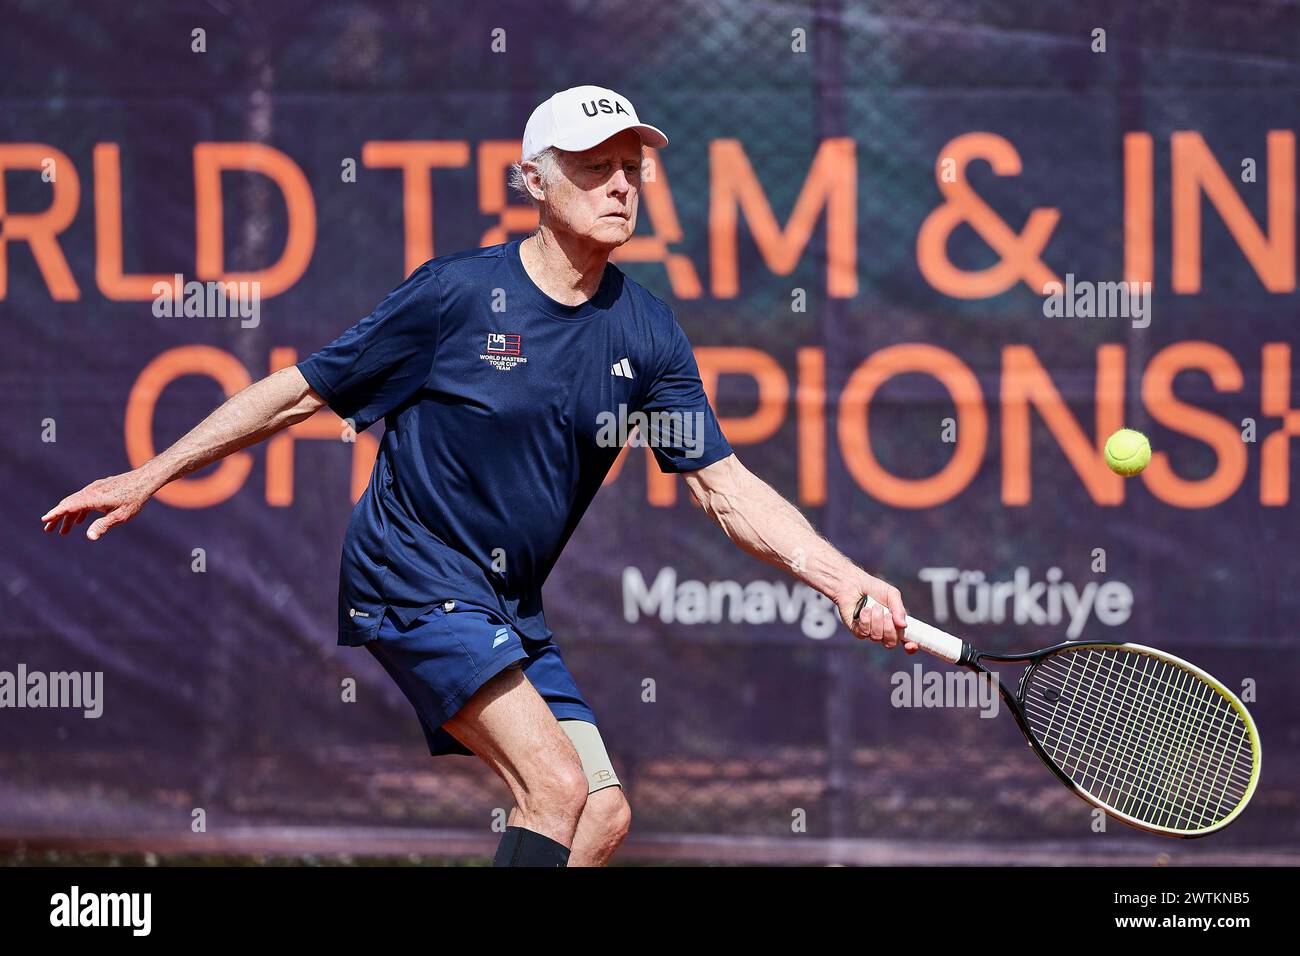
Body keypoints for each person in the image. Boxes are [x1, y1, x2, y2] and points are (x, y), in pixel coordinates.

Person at [41, 84, 917, 867]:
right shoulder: (454, 296)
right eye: (593, 167)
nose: (621, 185)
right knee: (554, 788)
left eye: (631, 169)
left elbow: (724, 486)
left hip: (508, 604)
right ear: (534, 180)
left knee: (601, 815)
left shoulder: (646, 335)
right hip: (411, 573)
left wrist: (843, 581)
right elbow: (296, 395)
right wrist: (151, 473)